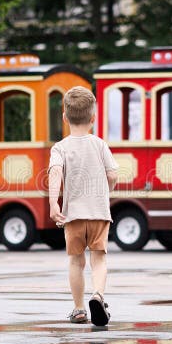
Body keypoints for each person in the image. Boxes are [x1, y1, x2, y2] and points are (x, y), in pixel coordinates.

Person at [48, 86, 118, 326]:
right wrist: (105, 191)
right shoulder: (100, 144)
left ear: (65, 117)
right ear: (93, 118)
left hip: (73, 214)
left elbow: (56, 172)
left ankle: (79, 309)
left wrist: (53, 202)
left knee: (75, 261)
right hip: (99, 212)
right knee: (98, 259)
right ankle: (98, 295)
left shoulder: (60, 147)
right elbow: (112, 174)